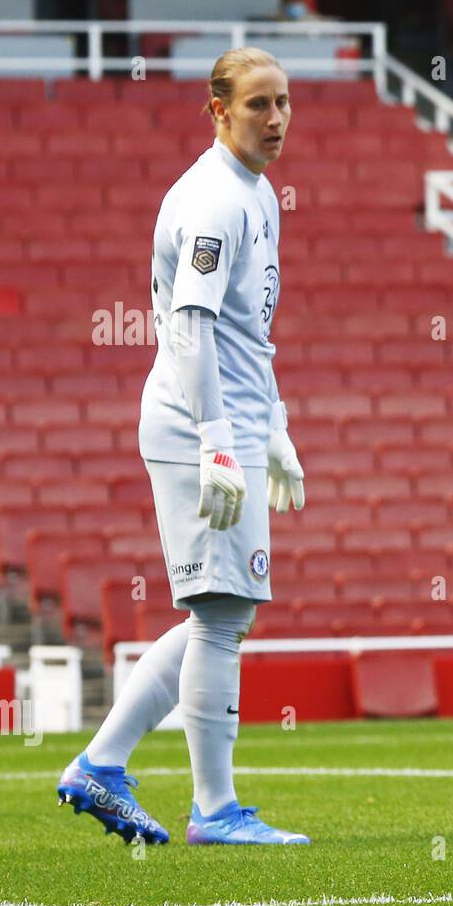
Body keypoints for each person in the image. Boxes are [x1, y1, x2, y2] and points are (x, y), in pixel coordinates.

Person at [56, 47, 309, 846]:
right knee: (222, 613)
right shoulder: (211, 202)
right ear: (218, 110)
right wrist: (217, 440)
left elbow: (247, 332)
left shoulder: (259, 193)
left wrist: (274, 428)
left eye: (284, 103)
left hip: (230, 421)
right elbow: (193, 327)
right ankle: (214, 808)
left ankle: (102, 763)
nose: (275, 119)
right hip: (197, 426)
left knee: (220, 612)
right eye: (258, 105)